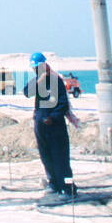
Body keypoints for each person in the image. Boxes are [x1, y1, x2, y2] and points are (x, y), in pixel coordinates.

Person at [23, 52, 76, 201]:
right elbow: (27, 92)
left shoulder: (57, 81)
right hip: (41, 126)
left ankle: (67, 187)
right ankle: (53, 184)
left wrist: (53, 118)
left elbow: (63, 104)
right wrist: (39, 80)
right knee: (46, 156)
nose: (36, 70)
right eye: (34, 68)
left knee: (60, 157)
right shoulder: (38, 82)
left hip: (55, 126)